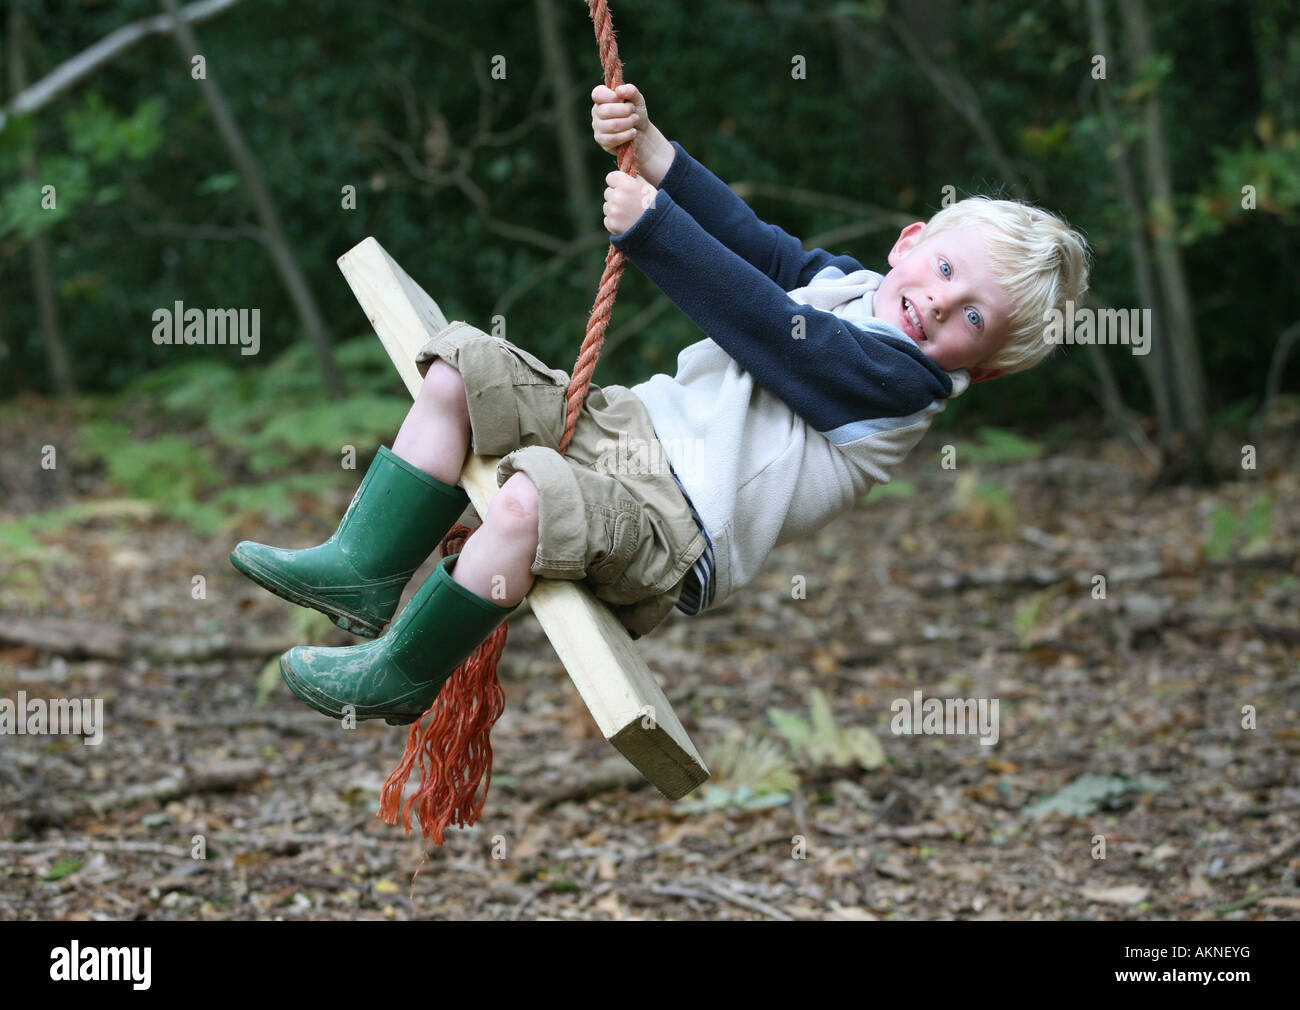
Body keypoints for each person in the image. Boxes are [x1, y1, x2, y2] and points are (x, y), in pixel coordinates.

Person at [230, 82, 1091, 726]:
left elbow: (772, 328)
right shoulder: (851, 285)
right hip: (622, 425)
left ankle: (403, 673)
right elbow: (755, 245)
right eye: (945, 271)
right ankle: (363, 566)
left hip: (676, 532)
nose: (941, 304)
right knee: (461, 367)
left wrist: (654, 234)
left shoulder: (901, 390)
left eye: (973, 316)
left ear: (983, 369)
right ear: (913, 242)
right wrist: (656, 151)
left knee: (530, 494)